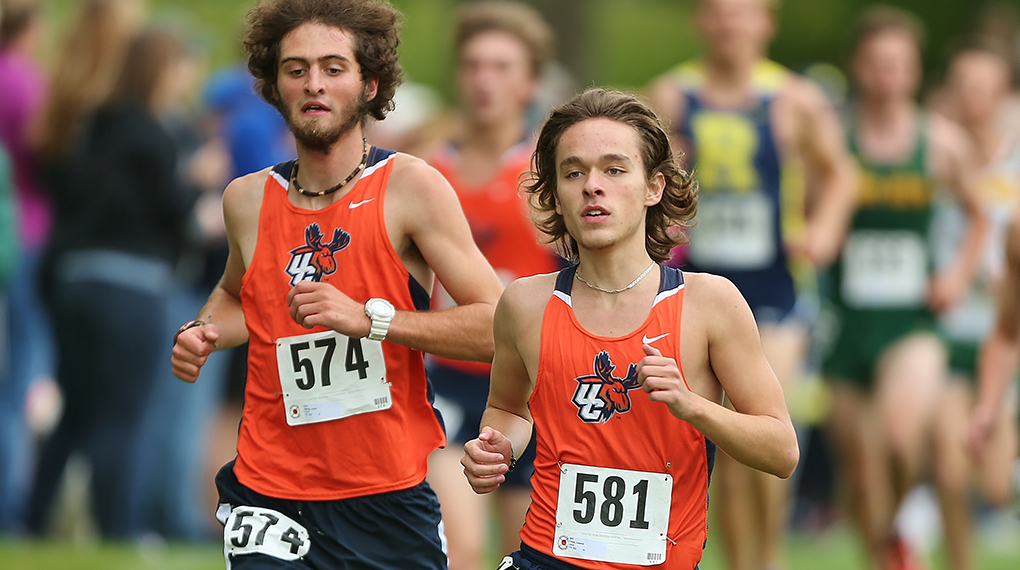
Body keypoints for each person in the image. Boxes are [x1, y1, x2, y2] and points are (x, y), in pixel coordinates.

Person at [169, 0, 504, 568]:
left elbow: (499, 325)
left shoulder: (411, 188)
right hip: (269, 490)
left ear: (370, 84)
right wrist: (203, 331)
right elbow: (237, 295)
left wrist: (369, 318)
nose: (313, 84)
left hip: (387, 492)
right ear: (275, 86)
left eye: (333, 68)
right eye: (295, 69)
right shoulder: (247, 200)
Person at [461, 87, 799, 570]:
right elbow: (507, 409)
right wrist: (496, 448)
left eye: (614, 170)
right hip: (546, 558)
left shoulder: (710, 303)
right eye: (573, 172)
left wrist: (692, 406)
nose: (592, 186)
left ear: (653, 187)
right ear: (555, 195)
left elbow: (782, 451)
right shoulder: (525, 304)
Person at [646, 1, 857, 568]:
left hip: (777, 287)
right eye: (719, 13)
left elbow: (841, 173)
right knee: (725, 447)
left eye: (744, 13)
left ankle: (768, 554)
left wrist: (824, 232)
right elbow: (639, 169)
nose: (731, 25)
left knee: (765, 415)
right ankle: (747, 560)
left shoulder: (794, 100)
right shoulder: (671, 96)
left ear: (767, 23)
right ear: (700, 22)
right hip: (698, 286)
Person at [823, 8, 988, 570]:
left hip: (912, 320)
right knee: (861, 472)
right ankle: (884, 552)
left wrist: (958, 275)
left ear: (915, 72)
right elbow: (805, 210)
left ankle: (895, 532)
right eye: (876, 64)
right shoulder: (833, 141)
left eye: (899, 65)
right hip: (847, 322)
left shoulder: (941, 143)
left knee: (898, 441)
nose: (887, 76)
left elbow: (979, 214)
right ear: (858, 68)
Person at [24, 28, 202, 539]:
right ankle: (118, 531)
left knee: (76, 409)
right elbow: (174, 214)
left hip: (74, 280)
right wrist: (198, 184)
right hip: (130, 285)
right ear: (159, 72)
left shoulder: (93, 127)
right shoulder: (152, 134)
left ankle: (32, 522)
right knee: (124, 415)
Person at [424, 4, 560, 569]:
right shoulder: (424, 170)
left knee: (524, 556)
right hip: (447, 380)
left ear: (530, 80)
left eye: (502, 67)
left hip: (536, 388)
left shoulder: (557, 175)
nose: (485, 80)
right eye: (475, 66)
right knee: (460, 549)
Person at [930, 38, 1020, 570]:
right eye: (962, 87)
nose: (972, 100)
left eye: (984, 89)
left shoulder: (1016, 162)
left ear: (1005, 95)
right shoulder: (932, 157)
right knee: (948, 469)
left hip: (1004, 329)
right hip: (946, 328)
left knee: (993, 486)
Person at [0, 0, 48, 532]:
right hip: (26, 234)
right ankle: (12, 508)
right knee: (21, 378)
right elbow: (45, 155)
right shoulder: (24, 81)